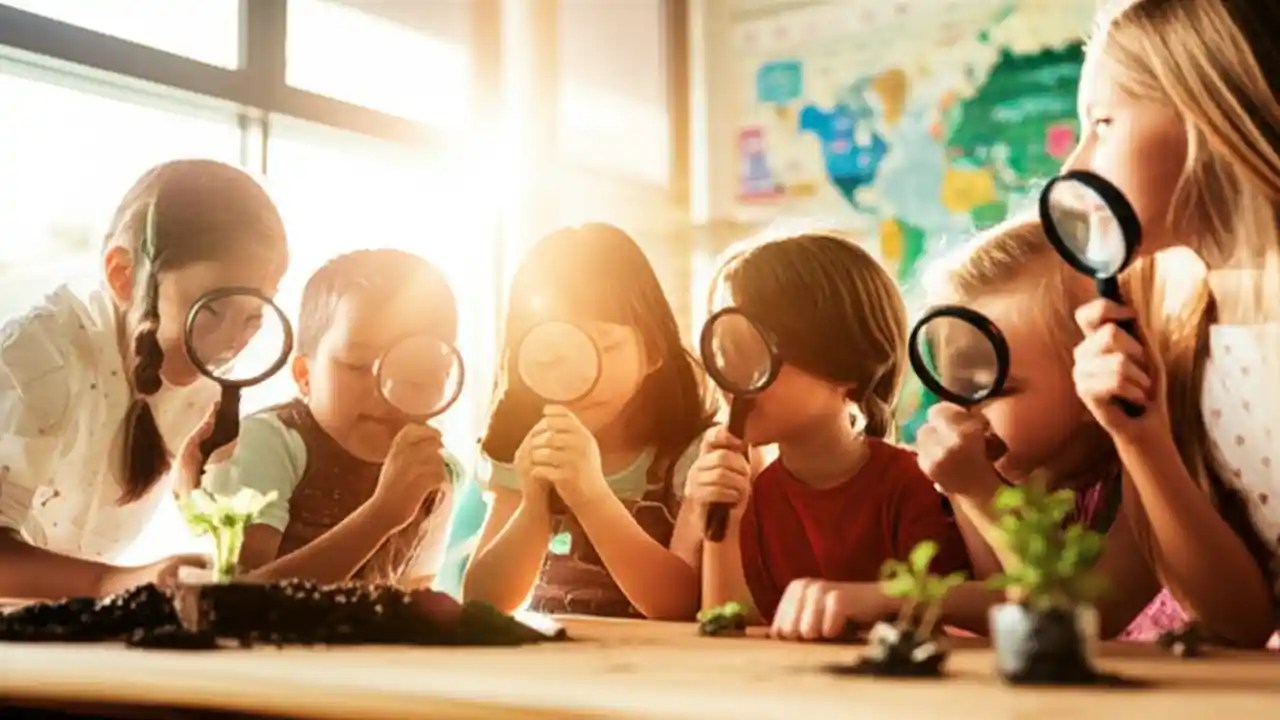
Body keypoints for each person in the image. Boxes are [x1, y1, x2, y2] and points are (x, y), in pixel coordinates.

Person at [1063, 0, 1280, 645]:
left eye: (1103, 123)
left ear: (1208, 112)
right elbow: (1237, 622)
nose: (1074, 167)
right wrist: (1141, 439)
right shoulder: (1180, 336)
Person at [0, 159, 289, 599]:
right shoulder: (39, 364)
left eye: (252, 317)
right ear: (123, 275)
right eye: (210, 309)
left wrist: (192, 480)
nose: (229, 344)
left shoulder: (205, 379)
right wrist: (116, 581)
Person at [678, 231, 970, 639]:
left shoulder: (912, 484)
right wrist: (721, 529)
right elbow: (729, 631)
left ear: (844, 366)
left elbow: (956, 627)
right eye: (725, 352)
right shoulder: (753, 498)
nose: (729, 378)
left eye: (751, 352)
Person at [463, 224, 714, 620]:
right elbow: (483, 603)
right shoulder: (527, 446)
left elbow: (678, 604)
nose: (579, 376)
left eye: (605, 344)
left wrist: (590, 496)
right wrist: (533, 505)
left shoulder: (692, 457)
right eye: (552, 353)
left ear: (652, 351)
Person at [203, 250, 464, 587]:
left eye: (417, 374)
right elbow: (239, 599)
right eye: (357, 365)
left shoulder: (433, 474)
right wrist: (382, 514)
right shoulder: (272, 443)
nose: (386, 391)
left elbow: (414, 594)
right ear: (304, 375)